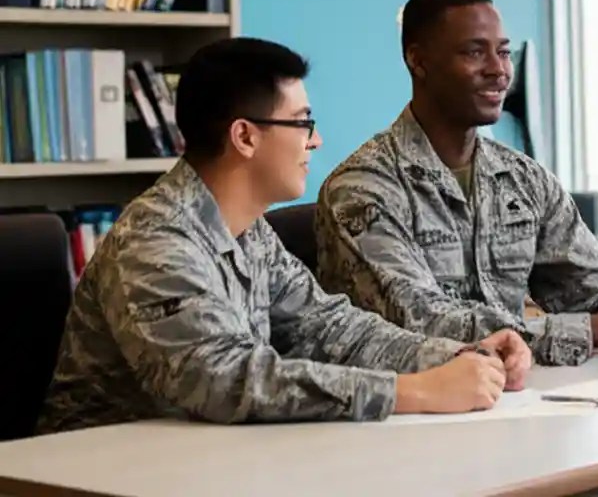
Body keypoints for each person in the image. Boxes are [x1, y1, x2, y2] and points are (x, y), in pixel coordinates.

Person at [39, 37, 531, 435]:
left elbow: (330, 328)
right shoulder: (155, 241)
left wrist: (461, 356)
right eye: (302, 123)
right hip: (97, 475)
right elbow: (228, 379)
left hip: (208, 461)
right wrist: (415, 392)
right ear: (245, 137)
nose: (315, 141)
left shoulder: (250, 233)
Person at [315, 0, 598, 366]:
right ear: (418, 61)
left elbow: (585, 283)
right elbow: (421, 323)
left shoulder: (523, 178)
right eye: (475, 52)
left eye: (503, 52)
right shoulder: (362, 188)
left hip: (518, 397)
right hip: (406, 415)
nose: (498, 70)